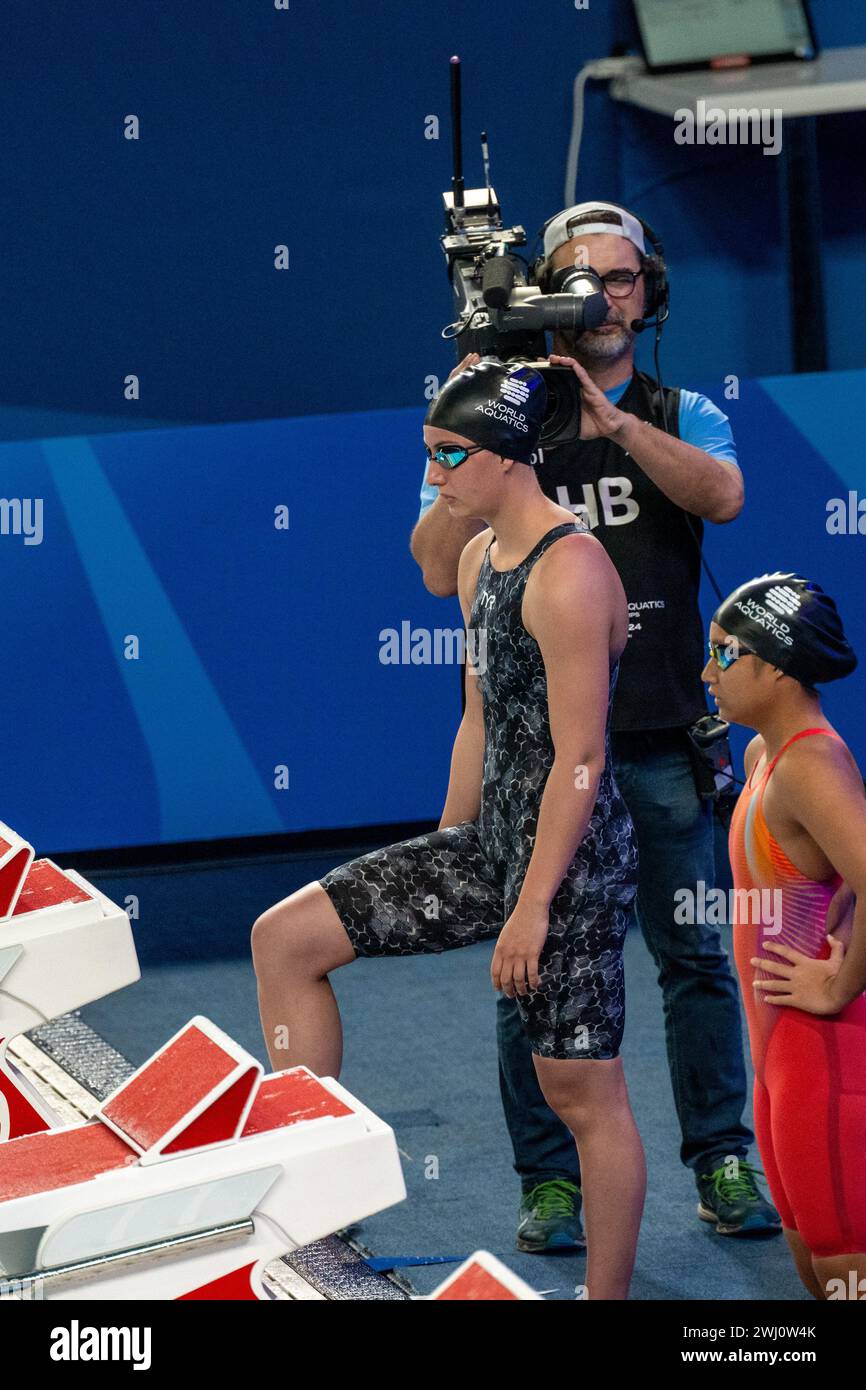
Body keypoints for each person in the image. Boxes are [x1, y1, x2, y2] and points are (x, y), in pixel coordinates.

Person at [411, 201, 778, 1250]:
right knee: (523, 963)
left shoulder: (679, 408)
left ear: (648, 293)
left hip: (658, 734)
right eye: (581, 280)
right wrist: (486, 420)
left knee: (690, 957)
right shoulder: (492, 423)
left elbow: (723, 498)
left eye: (621, 280)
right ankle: (549, 1183)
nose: (603, 298)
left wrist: (611, 424)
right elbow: (437, 567)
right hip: (536, 755)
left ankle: (718, 1156)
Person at [252, 359, 646, 1299]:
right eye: (427, 455)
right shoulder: (479, 559)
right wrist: (444, 853)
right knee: (285, 938)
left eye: (448, 457)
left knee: (581, 1094)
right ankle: (315, 1217)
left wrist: (531, 908)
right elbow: (477, 718)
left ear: (508, 458)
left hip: (573, 861)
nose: (433, 477)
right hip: (493, 839)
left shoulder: (573, 572)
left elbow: (579, 759)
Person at [703, 573, 866, 1298]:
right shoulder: (763, 756)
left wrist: (837, 985)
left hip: (824, 1061)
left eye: (723, 654)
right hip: (777, 1059)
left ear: (775, 665)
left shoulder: (808, 763)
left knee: (843, 1266)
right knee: (808, 1261)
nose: (707, 673)